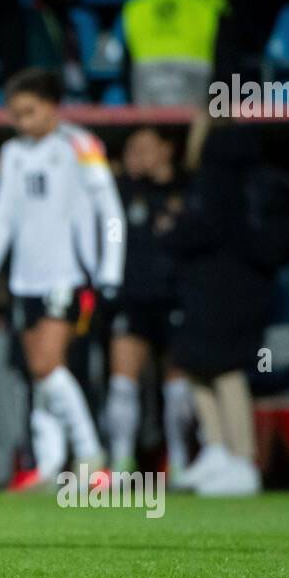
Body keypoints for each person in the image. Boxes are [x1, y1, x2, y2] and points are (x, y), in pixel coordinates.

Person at [0, 68, 125, 489]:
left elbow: (110, 212)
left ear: (53, 108)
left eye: (29, 112)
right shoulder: (12, 154)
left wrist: (110, 271)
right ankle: (52, 463)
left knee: (47, 364)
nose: (22, 123)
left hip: (68, 275)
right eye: (15, 115)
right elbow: (1, 219)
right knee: (40, 375)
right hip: (25, 281)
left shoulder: (82, 145)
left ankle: (92, 455)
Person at [163, 121, 289, 496]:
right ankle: (219, 451)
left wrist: (169, 232)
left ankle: (243, 458)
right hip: (241, 289)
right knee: (196, 364)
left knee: (226, 368)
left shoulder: (216, 179)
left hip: (221, 290)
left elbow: (202, 229)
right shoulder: (262, 181)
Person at [104, 127, 196, 474]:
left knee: (177, 385)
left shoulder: (186, 190)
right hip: (132, 297)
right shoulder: (120, 191)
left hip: (176, 296)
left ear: (166, 149)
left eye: (144, 147)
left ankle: (179, 460)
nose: (136, 156)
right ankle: (121, 460)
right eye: (131, 148)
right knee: (122, 382)